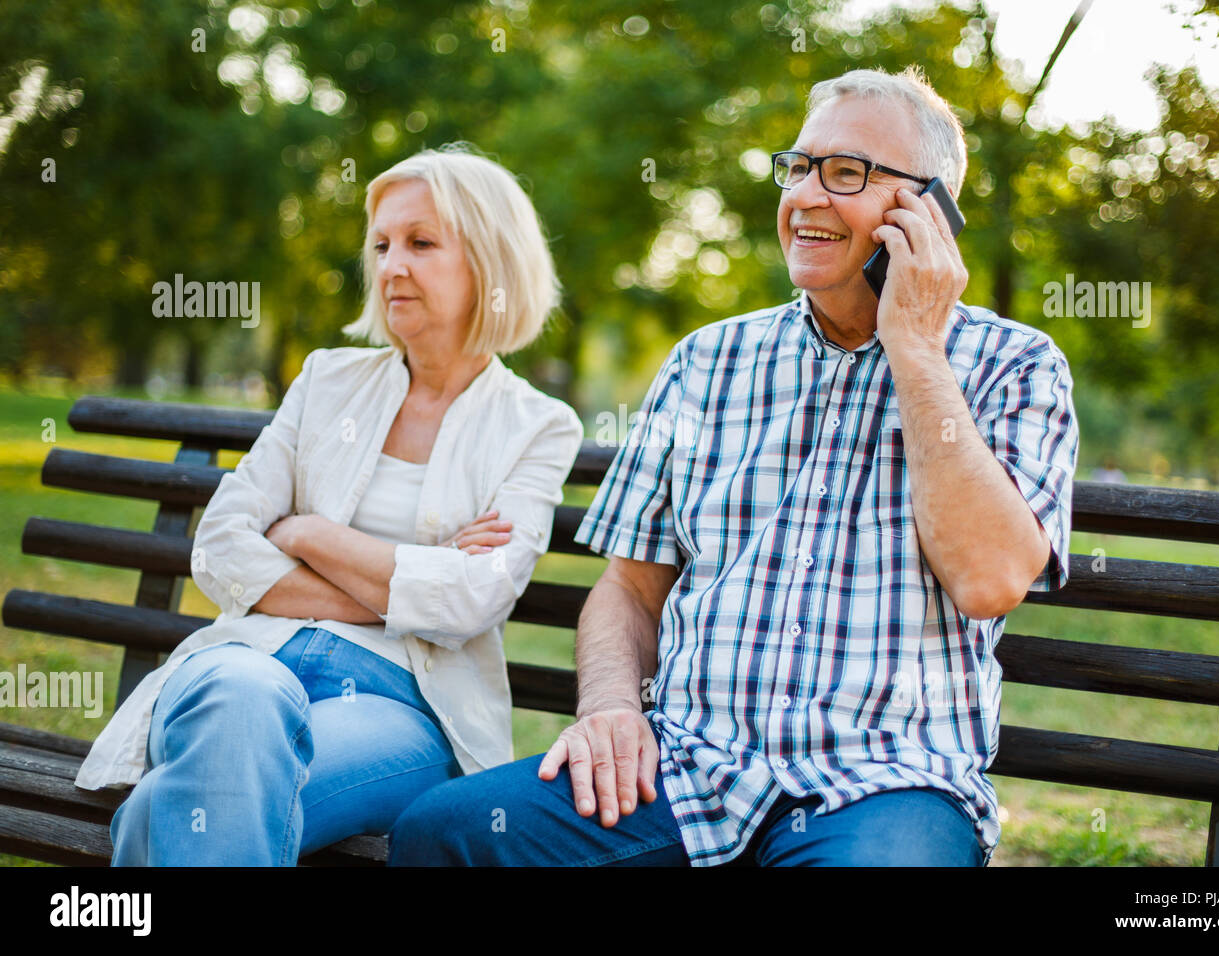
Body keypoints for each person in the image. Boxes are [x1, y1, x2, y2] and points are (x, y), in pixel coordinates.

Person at [388, 66, 1079, 867]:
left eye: (847, 173)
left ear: (928, 214)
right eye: (799, 167)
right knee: (442, 835)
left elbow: (990, 579)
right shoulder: (706, 361)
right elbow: (628, 587)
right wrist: (612, 707)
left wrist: (916, 348)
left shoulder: (1016, 365)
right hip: (684, 772)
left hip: (888, 787)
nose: (808, 196)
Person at [74, 144, 585, 866]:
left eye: (420, 243)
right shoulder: (327, 381)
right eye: (380, 245)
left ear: (492, 264)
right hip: (246, 661)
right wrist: (411, 585)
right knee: (238, 701)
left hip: (405, 702)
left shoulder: (536, 425)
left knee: (166, 811)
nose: (389, 267)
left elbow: (474, 601)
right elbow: (220, 544)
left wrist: (306, 532)